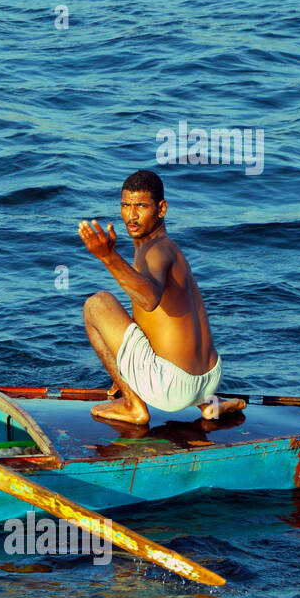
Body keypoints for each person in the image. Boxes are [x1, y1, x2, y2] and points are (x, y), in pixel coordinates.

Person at [78, 169, 245, 425]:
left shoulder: (155, 251)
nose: (132, 215)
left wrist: (107, 257)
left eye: (142, 206)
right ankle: (209, 404)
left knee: (97, 304)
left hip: (172, 386)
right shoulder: (169, 247)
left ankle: (134, 406)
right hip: (210, 378)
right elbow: (148, 317)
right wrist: (123, 369)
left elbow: (149, 299)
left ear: (161, 209)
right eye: (126, 205)